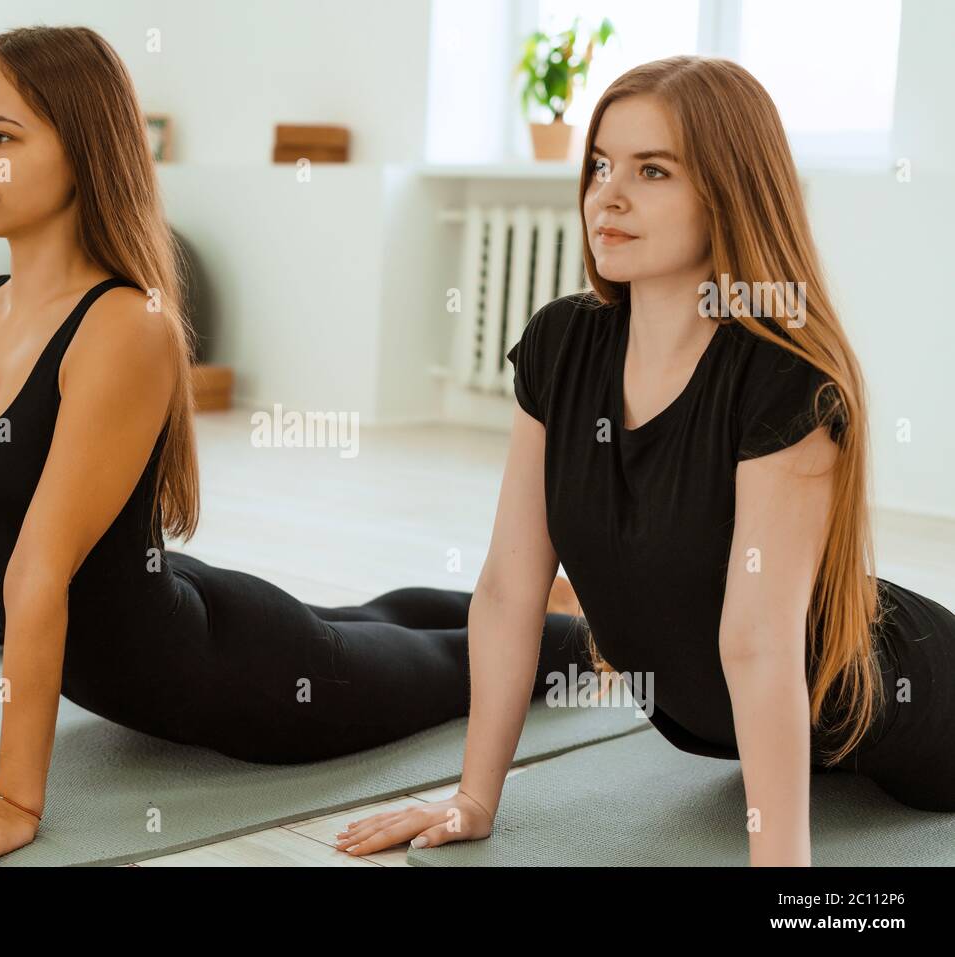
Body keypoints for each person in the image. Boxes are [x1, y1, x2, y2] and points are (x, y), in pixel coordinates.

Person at [0, 25, 585, 869]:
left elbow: (36, 572)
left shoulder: (124, 326)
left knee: (448, 662)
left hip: (240, 679)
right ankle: (548, 598)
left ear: (84, 148)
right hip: (198, 605)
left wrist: (14, 800)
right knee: (380, 612)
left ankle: (595, 635)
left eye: (1, 136)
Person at [336, 55, 955, 867]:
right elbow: (508, 584)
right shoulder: (561, 346)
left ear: (730, 189)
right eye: (600, 166)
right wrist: (475, 797)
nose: (608, 195)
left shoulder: (786, 378)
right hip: (725, 724)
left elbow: (761, 642)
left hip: (908, 696)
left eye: (652, 170)